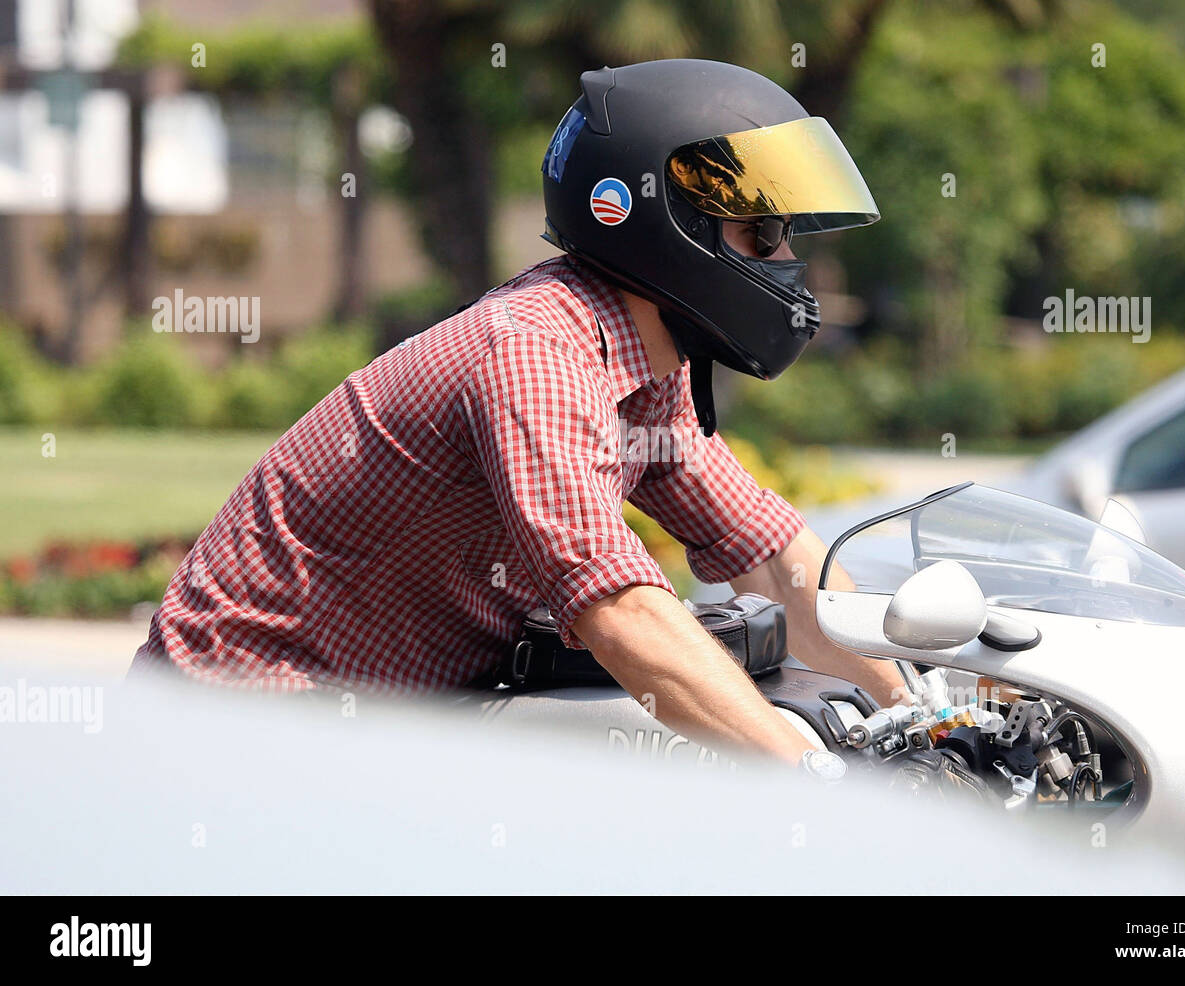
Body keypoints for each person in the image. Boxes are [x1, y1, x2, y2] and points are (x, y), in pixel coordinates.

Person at [131, 58, 904, 774]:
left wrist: (919, 714)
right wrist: (810, 781)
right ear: (664, 221)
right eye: (762, 232)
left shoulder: (644, 362)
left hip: (379, 725)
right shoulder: (535, 357)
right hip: (237, 735)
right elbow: (622, 614)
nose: (785, 262)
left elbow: (771, 556)